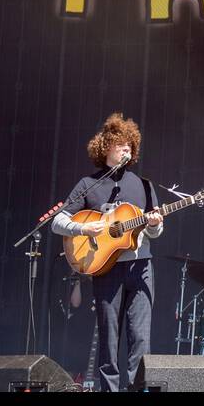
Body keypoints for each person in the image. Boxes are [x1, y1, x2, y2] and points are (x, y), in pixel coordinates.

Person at [52, 113, 164, 391]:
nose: (126, 148)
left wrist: (154, 225)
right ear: (105, 148)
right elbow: (58, 221)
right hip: (106, 269)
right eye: (119, 144)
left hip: (140, 267)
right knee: (109, 337)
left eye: (130, 145)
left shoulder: (145, 185)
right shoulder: (89, 184)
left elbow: (155, 232)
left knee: (140, 337)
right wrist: (83, 230)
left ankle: (138, 388)